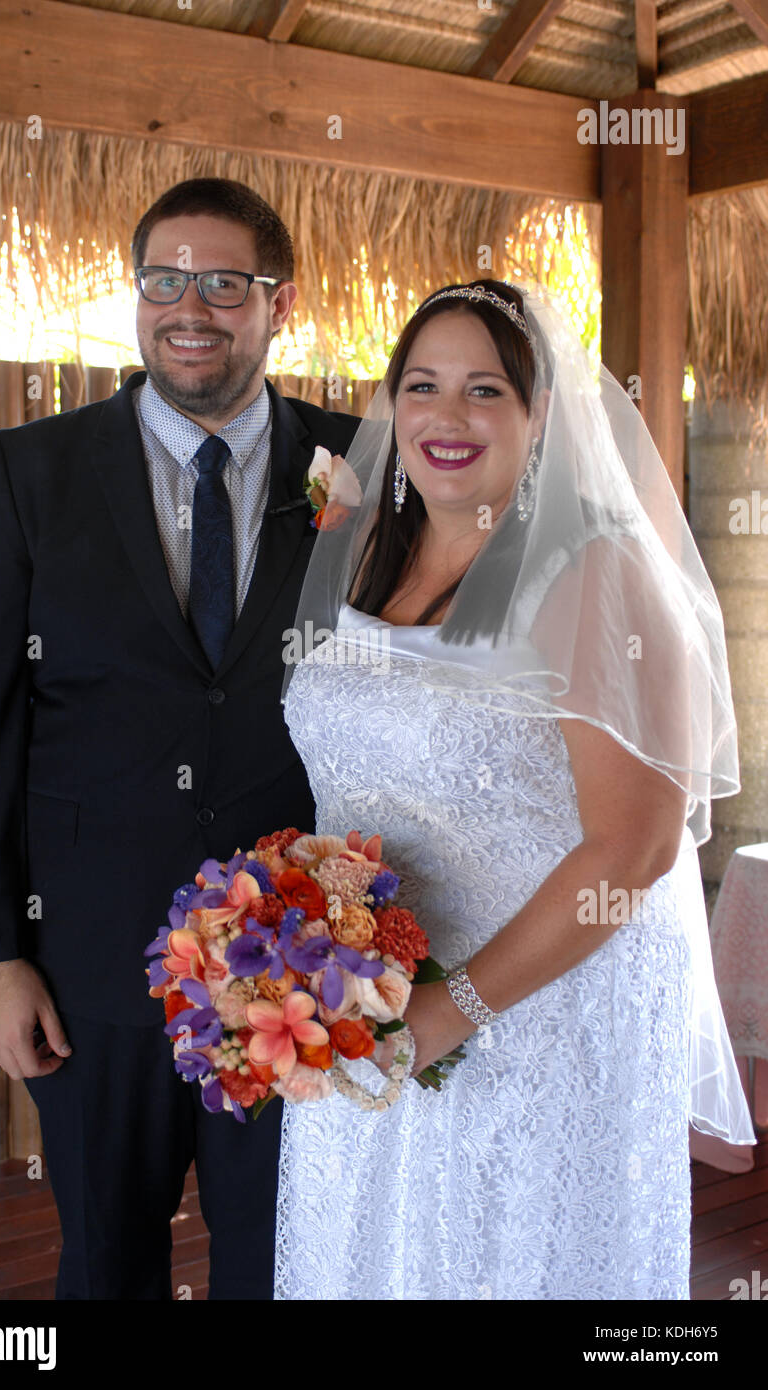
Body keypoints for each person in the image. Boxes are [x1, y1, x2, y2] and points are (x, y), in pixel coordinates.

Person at [274, 279, 755, 1300]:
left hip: (529, 1023)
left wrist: (450, 1012)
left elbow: (633, 848)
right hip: (363, 1006)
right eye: (421, 384)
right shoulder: (364, 550)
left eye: (484, 389)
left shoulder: (594, 573)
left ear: (542, 419)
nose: (446, 417)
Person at [0, 178, 360, 1299]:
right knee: (106, 1266)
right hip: (85, 964)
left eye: (225, 282)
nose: (191, 307)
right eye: (164, 279)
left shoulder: (362, 469)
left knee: (279, 1264)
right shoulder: (32, 471)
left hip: (297, 970)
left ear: (282, 302)